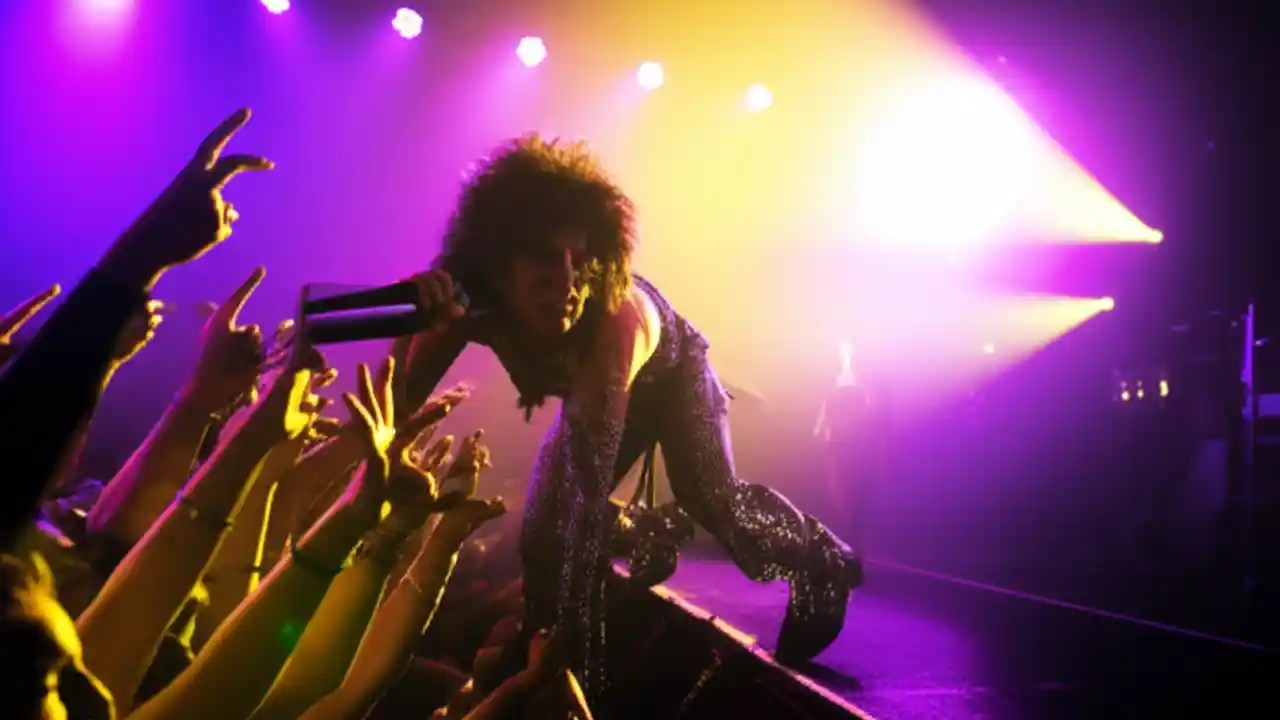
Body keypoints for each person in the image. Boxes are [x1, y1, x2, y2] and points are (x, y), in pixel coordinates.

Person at [395, 135, 862, 687]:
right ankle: (612, 576)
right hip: (596, 391)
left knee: (710, 500)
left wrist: (571, 663)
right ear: (498, 269)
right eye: (545, 265)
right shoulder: (470, 303)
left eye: (580, 261)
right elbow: (391, 404)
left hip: (671, 377)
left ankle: (820, 558)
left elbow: (583, 498)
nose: (569, 284)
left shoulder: (617, 320)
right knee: (546, 529)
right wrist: (415, 326)